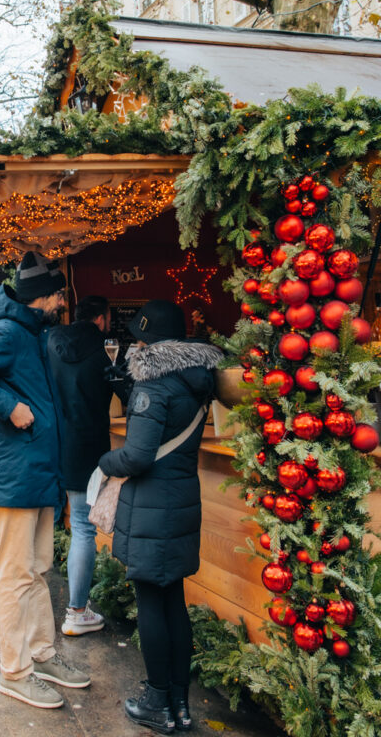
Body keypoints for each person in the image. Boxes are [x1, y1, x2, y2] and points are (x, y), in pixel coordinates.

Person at [0, 252, 90, 711]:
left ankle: (41, 654)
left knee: (37, 568)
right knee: (14, 574)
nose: (64, 301)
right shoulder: (8, 333)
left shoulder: (33, 332)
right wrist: (9, 406)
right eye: (59, 295)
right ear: (43, 298)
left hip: (37, 470)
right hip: (17, 473)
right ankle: (15, 672)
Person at [98, 299, 221, 734]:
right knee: (174, 603)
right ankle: (179, 705)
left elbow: (137, 456)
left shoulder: (154, 387)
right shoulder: (197, 381)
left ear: (148, 342)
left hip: (153, 505)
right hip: (183, 498)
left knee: (152, 600)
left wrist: (105, 462)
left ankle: (155, 700)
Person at [48, 294, 114, 637]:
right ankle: (76, 611)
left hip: (51, 442)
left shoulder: (51, 342)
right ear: (101, 320)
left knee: (42, 519)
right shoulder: (107, 350)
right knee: (84, 529)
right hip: (89, 446)